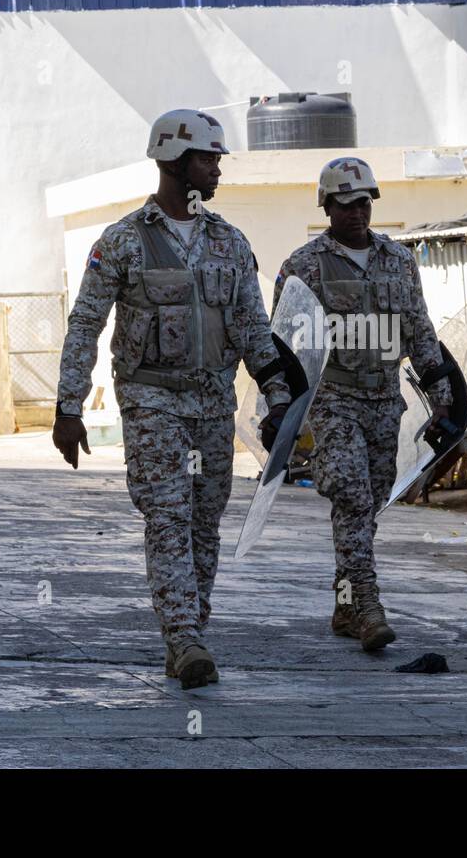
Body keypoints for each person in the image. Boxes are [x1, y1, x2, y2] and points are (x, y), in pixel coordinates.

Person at [52, 109, 292, 689]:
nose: (216, 170)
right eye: (209, 158)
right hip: (152, 402)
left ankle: (190, 632)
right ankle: (184, 638)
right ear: (174, 162)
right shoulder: (123, 244)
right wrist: (68, 406)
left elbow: (254, 329)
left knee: (206, 523)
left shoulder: (230, 244)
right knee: (168, 517)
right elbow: (86, 324)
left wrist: (279, 398)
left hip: (213, 406)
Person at [271, 156, 451, 651]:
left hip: (384, 399)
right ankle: (368, 604)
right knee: (350, 494)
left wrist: (442, 397)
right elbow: (284, 343)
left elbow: (419, 329)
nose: (357, 212)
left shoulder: (399, 260)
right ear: (327, 206)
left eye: (365, 202)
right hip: (334, 400)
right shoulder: (303, 265)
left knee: (368, 502)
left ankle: (346, 602)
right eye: (346, 203)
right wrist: (281, 409)